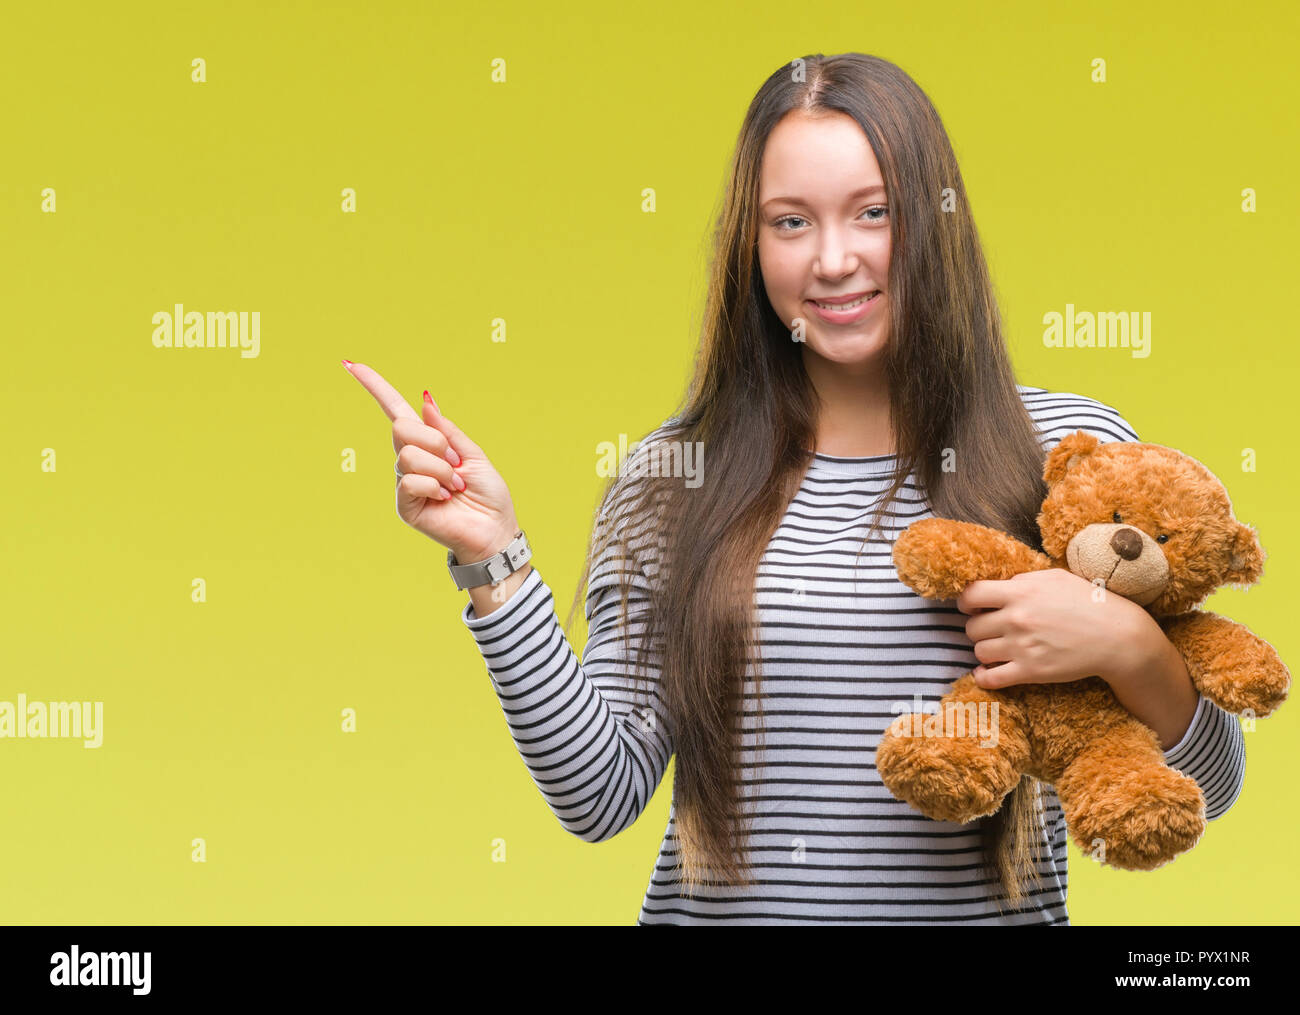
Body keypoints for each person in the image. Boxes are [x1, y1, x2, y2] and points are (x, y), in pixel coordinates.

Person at [344, 53, 1245, 924]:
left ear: (934, 221)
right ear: (752, 243)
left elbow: (1210, 785)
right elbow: (600, 795)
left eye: (873, 212)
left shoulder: (1065, 454)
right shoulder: (672, 477)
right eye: (790, 222)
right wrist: (492, 559)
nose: (834, 260)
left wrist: (1126, 643)